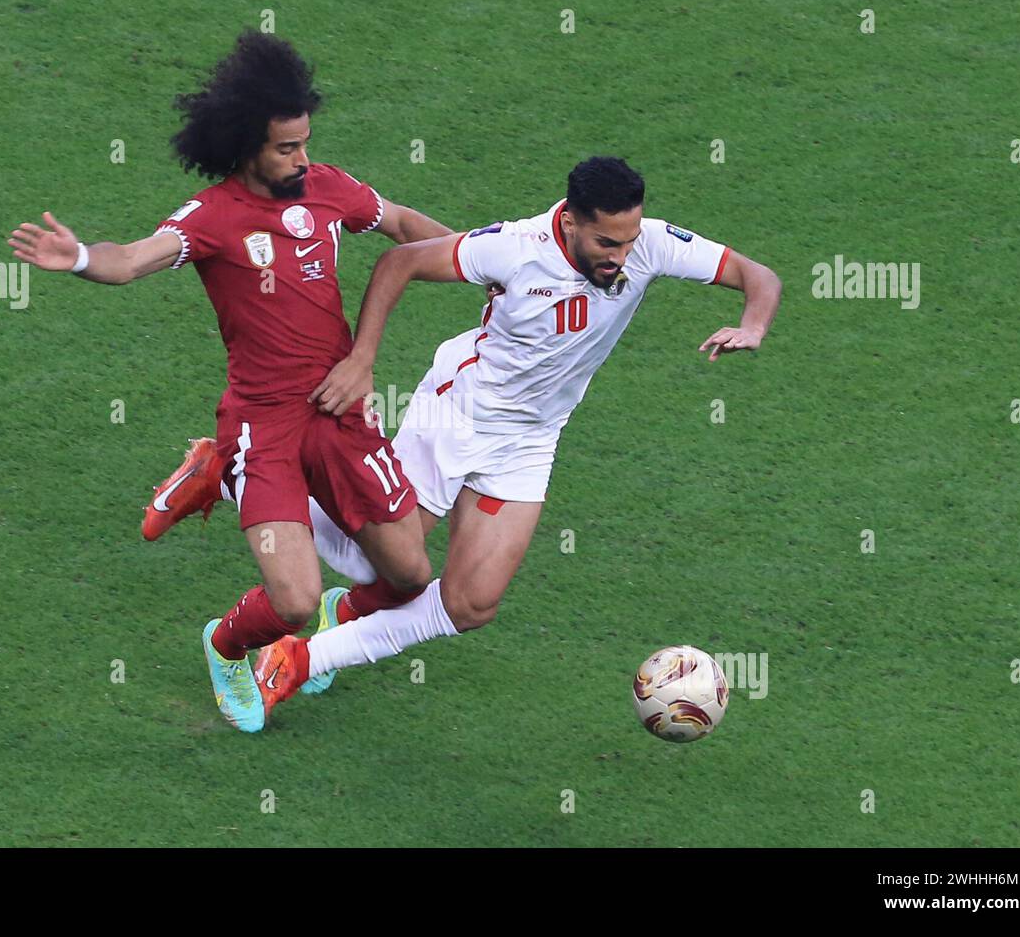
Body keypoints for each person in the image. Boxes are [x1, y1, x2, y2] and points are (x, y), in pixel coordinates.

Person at [6, 31, 454, 732]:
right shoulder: (214, 217)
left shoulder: (329, 190)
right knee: (294, 597)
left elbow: (400, 223)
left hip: (340, 416)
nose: (302, 159)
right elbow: (130, 261)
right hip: (263, 426)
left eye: (305, 143)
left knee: (409, 576)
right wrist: (80, 256)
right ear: (247, 144)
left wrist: (482, 258)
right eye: (286, 149)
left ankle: (340, 614)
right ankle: (226, 645)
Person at [246, 155, 784, 726]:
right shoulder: (514, 247)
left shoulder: (649, 243)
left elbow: (759, 275)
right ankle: (237, 472)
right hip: (457, 416)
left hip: (530, 441)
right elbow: (398, 262)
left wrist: (752, 325)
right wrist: (363, 359)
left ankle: (300, 659)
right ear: (571, 221)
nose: (622, 258)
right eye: (607, 243)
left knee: (471, 602)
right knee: (369, 557)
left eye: (628, 242)